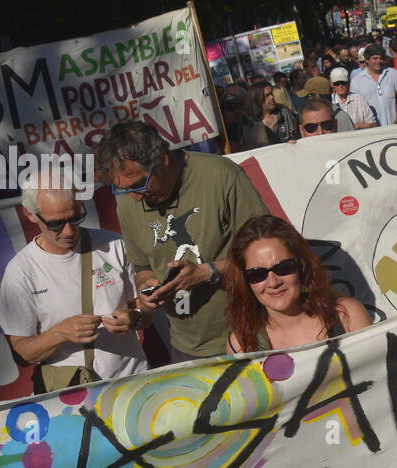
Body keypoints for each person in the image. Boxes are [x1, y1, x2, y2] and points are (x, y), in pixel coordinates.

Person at [97, 120, 269, 362]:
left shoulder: (221, 176)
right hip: (187, 347)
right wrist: (148, 287)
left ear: (162, 160)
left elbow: (271, 253)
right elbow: (142, 268)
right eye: (122, 189)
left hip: (252, 336)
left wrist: (207, 272)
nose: (134, 197)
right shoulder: (127, 200)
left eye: (138, 185)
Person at [0, 171, 150, 390]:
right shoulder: (20, 272)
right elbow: (22, 352)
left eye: (75, 218)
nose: (68, 231)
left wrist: (135, 318)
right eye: (55, 224)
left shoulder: (113, 245)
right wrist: (59, 333)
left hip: (133, 381)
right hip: (73, 394)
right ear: (30, 215)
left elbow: (144, 310)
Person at [225, 215, 371, 354]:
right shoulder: (241, 345)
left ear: (301, 266)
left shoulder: (348, 316)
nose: (273, 282)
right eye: (257, 274)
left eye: (283, 267)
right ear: (245, 281)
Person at [350, 45, 397, 126]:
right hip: (373, 132)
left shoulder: (392, 74)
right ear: (366, 60)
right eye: (375, 58)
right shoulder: (356, 81)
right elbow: (355, 108)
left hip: (395, 127)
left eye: (381, 58)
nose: (378, 61)